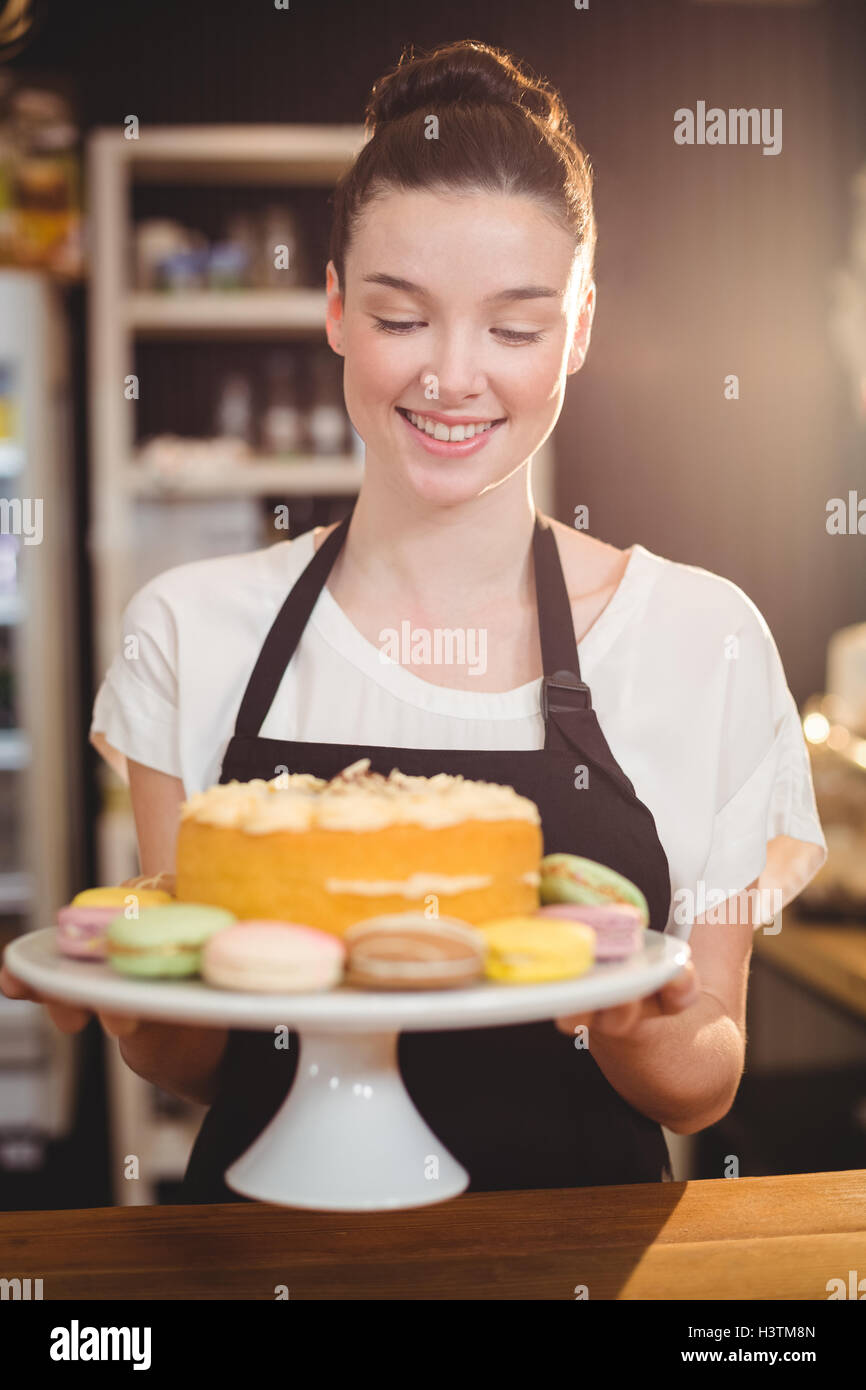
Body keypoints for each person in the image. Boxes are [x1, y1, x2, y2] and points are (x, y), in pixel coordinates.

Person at [2, 40, 827, 1198]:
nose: (451, 375)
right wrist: (127, 993)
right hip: (266, 1247)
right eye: (401, 317)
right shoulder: (191, 631)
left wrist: (633, 1018)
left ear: (578, 327)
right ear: (335, 307)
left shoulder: (701, 637)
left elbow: (703, 1082)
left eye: (514, 326)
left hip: (567, 1260)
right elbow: (199, 1056)